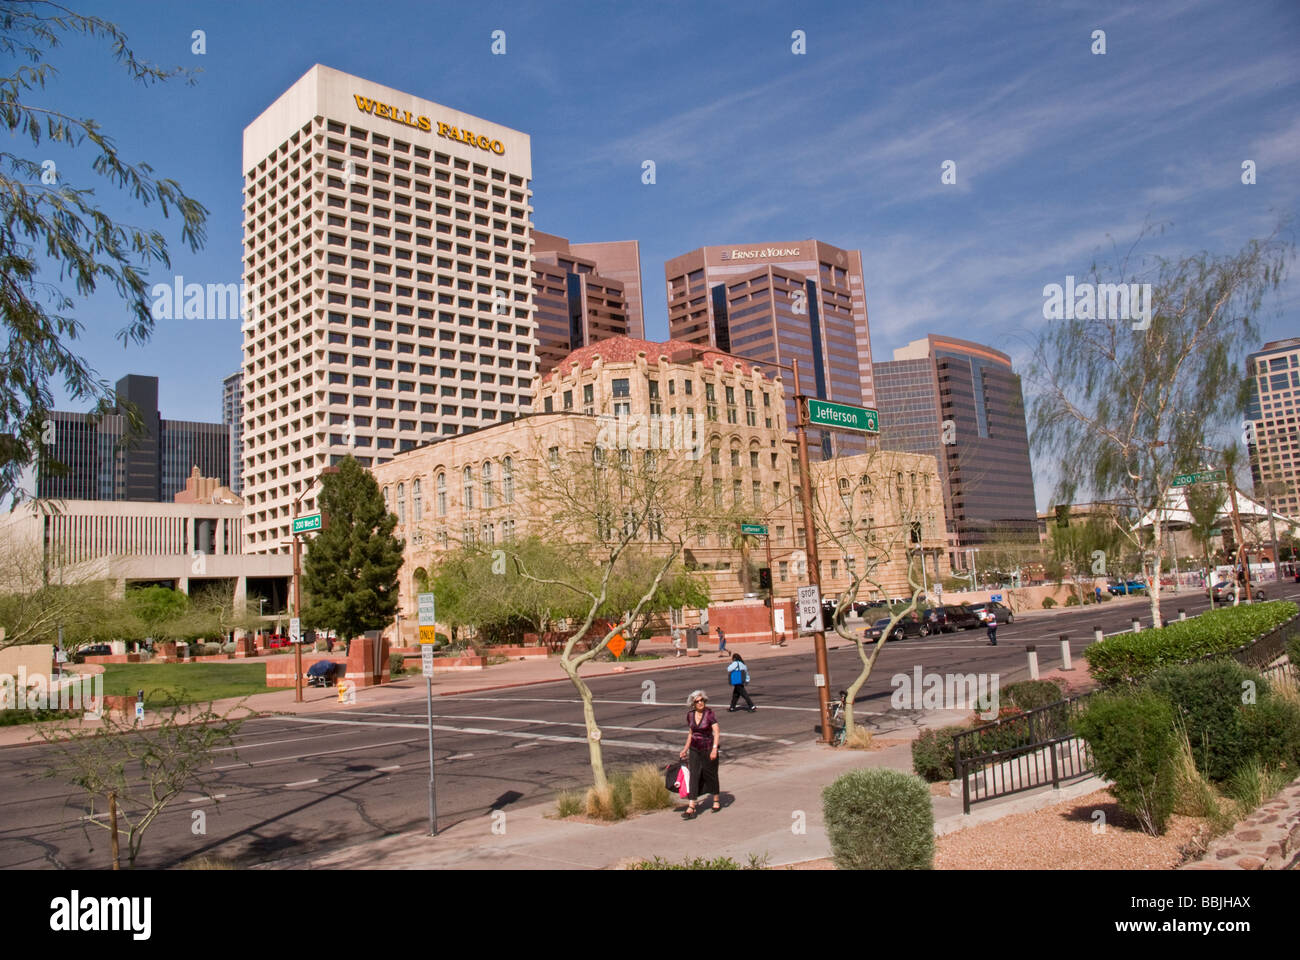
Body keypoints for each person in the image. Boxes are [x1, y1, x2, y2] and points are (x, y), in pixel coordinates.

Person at [679, 690, 721, 817]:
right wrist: (685, 749)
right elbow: (691, 734)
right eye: (697, 701)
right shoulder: (690, 715)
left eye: (702, 700)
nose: (700, 703)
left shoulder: (709, 714)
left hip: (708, 747)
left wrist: (714, 749)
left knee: (710, 774)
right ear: (693, 704)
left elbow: (717, 732)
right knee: (694, 775)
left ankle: (716, 799)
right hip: (695, 749)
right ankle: (692, 805)